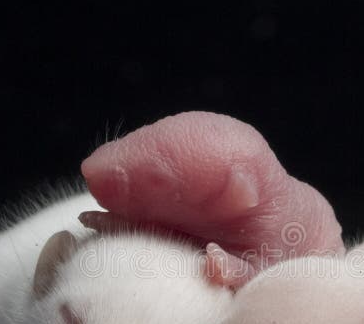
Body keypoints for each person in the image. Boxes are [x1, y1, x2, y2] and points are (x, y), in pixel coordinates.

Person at [80, 111, 345, 287]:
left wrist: (237, 270)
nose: (95, 169)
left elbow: (262, 275)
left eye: (156, 180)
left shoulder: (276, 229)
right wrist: (126, 224)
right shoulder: (227, 208)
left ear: (236, 197)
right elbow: (182, 236)